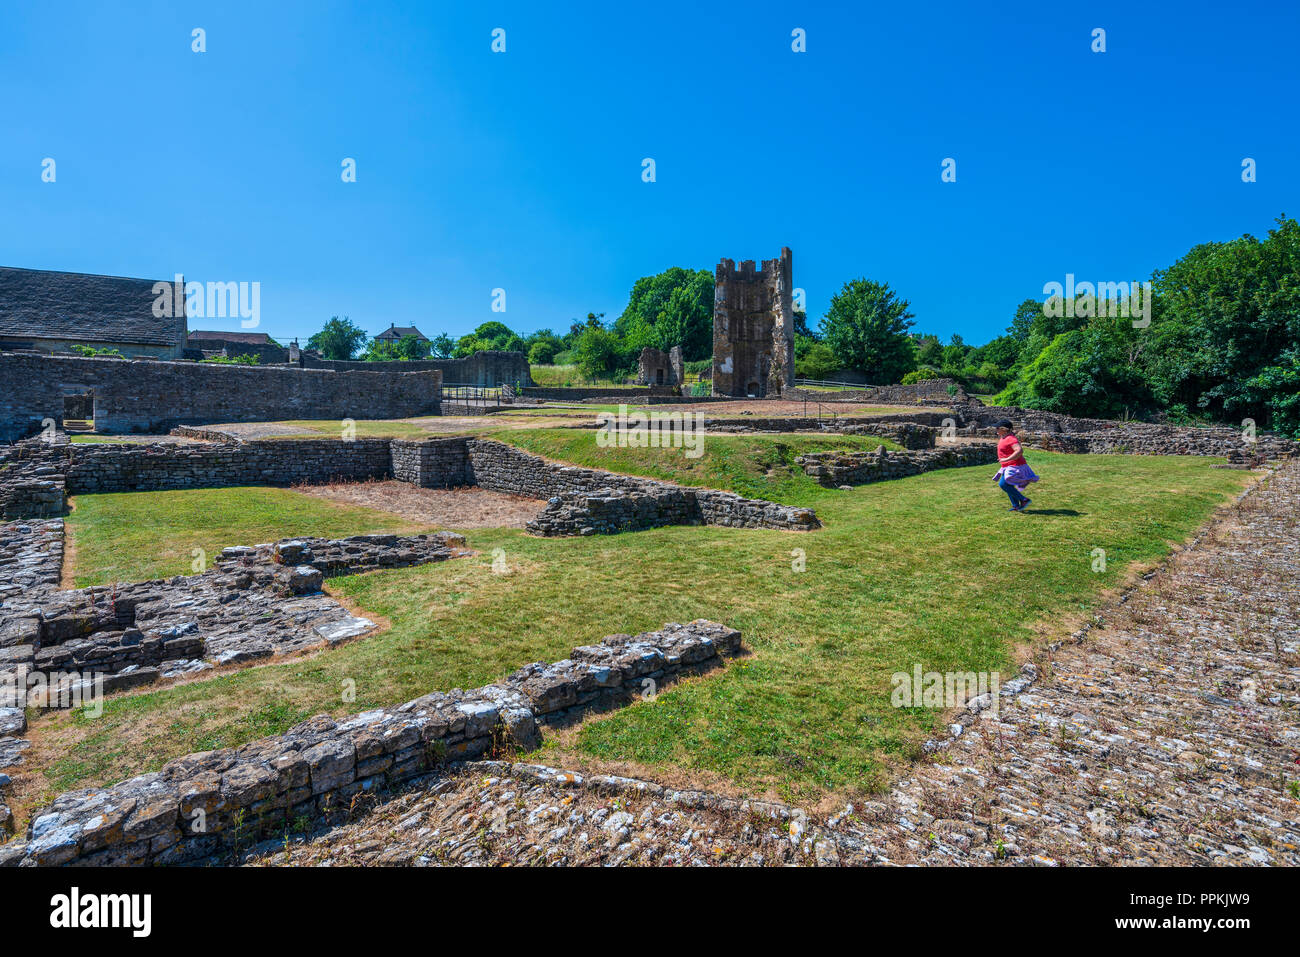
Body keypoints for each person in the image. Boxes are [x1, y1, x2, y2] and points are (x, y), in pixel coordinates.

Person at [992, 419, 1038, 511]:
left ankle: (1024, 500)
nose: (995, 429)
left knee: (1003, 484)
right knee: (1007, 485)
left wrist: (1006, 459)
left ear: (1004, 429)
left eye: (997, 428)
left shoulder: (1011, 438)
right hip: (1007, 466)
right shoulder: (1003, 437)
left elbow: (1019, 450)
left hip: (1015, 466)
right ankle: (1016, 505)